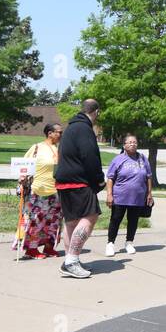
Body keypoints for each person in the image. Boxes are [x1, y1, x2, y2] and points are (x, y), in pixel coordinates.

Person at [54, 98, 105, 279]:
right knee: (90, 216)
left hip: (64, 181)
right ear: (96, 112)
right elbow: (90, 157)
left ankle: (69, 260)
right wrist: (99, 180)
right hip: (78, 182)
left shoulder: (70, 128)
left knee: (72, 222)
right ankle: (72, 261)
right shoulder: (84, 129)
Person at [18, 122, 63, 259]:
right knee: (36, 221)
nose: (61, 135)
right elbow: (24, 165)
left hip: (55, 191)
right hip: (37, 190)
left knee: (54, 221)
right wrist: (22, 178)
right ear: (50, 133)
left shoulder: (59, 149)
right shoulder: (37, 148)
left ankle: (49, 247)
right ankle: (32, 249)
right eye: (59, 132)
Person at [105, 134, 152, 256]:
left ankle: (129, 242)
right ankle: (110, 243)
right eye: (130, 142)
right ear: (124, 145)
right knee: (115, 220)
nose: (133, 144)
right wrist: (109, 194)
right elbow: (110, 178)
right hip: (120, 197)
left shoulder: (142, 158)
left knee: (133, 221)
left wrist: (149, 193)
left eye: (135, 142)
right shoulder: (118, 159)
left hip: (137, 197)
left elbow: (148, 176)